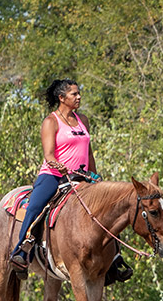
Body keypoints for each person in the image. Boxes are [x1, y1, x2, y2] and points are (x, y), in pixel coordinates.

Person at [10, 80, 131, 283]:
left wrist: (95, 176)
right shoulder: (51, 121)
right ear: (61, 98)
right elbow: (49, 155)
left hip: (82, 177)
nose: (78, 97)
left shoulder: (83, 119)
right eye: (74, 94)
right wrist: (59, 167)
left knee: (106, 210)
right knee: (35, 206)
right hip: (54, 176)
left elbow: (88, 152)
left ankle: (115, 259)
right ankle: (22, 251)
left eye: (79, 93)